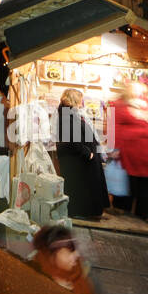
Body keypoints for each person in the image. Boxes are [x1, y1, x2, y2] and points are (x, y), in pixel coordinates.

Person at [109, 80, 148, 225]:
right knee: (127, 179)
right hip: (128, 150)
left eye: (141, 92)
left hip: (146, 151)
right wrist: (113, 147)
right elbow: (112, 126)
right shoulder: (118, 104)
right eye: (135, 91)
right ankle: (121, 206)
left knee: (145, 182)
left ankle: (146, 212)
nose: (139, 94)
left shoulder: (146, 103)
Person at [56, 88, 110, 220]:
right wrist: (87, 153)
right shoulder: (67, 115)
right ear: (74, 100)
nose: (82, 102)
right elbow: (72, 141)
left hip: (79, 157)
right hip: (77, 159)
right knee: (81, 187)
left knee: (85, 185)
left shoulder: (69, 113)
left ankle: (87, 211)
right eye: (80, 99)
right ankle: (81, 212)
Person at [30, 225, 95, 294]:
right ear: (53, 254)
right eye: (70, 250)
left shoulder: (77, 274)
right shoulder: (35, 276)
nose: (77, 255)